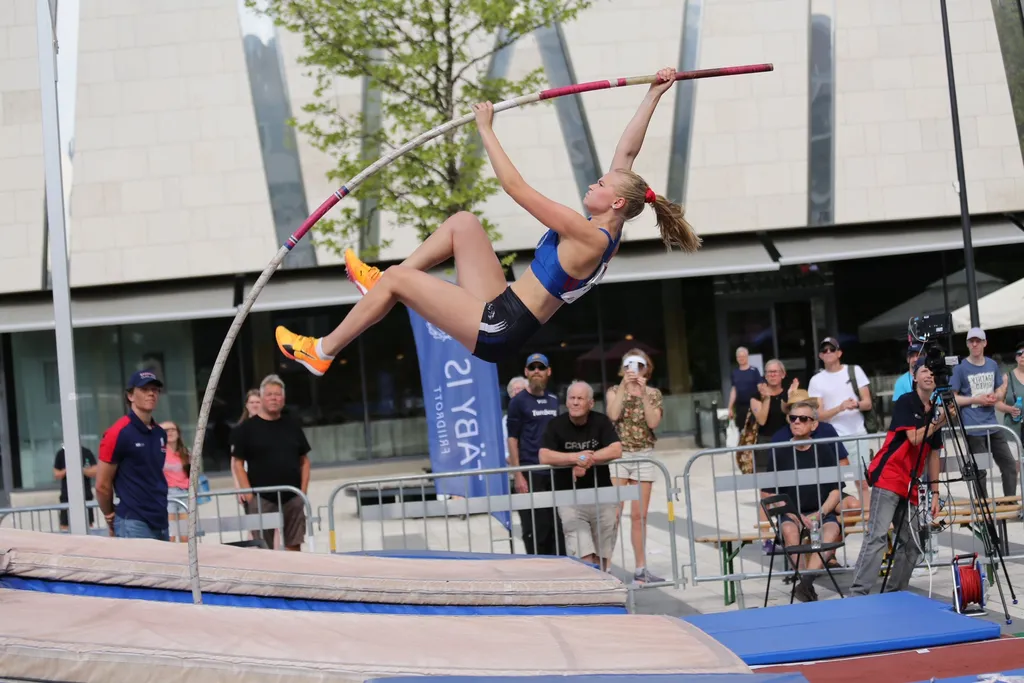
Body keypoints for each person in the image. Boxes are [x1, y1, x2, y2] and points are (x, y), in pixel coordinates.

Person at [273, 67, 701, 375]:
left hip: (501, 328)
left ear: (619, 204)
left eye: (601, 183)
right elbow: (626, 155)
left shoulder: (588, 234)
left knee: (398, 282)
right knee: (463, 223)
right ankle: (379, 282)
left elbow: (515, 188)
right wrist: (654, 95)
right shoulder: (609, 226)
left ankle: (322, 351)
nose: (594, 182)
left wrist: (486, 129)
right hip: (503, 303)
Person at [849, 360, 946, 596]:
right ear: (914, 377)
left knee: (912, 543)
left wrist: (935, 493)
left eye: (933, 372)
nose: (929, 375)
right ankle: (858, 593)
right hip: (890, 477)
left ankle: (896, 593)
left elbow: (934, 456)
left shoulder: (935, 411)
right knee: (877, 537)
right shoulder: (907, 401)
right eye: (924, 371)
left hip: (911, 484)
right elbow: (913, 438)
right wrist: (937, 422)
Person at [763, 394, 850, 602]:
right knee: (789, 530)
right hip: (792, 512)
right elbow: (770, 494)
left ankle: (805, 583)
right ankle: (805, 583)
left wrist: (820, 514)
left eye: (803, 419)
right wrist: (794, 514)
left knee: (832, 530)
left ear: (814, 424)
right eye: (793, 418)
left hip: (821, 510)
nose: (797, 422)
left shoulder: (823, 448)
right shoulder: (780, 451)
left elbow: (836, 490)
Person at [540, 381, 623, 570]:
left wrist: (586, 459)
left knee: (603, 553)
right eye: (572, 398)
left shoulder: (601, 421)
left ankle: (603, 591)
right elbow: (544, 455)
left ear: (591, 403)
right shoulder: (555, 425)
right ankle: (591, 591)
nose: (575, 403)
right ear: (567, 402)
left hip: (602, 496)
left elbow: (616, 449)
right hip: (570, 499)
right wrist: (574, 458)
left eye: (580, 398)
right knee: (582, 551)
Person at [231, 375, 312, 551]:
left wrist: (302, 493)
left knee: (295, 543)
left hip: (292, 496)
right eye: (269, 394)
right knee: (263, 547)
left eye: (277, 394)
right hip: (262, 497)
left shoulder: (292, 426)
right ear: (261, 398)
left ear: (283, 399)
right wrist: (250, 495)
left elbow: (304, 461)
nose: (274, 398)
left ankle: (295, 576)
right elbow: (238, 463)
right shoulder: (246, 429)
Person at [605, 348, 664, 583]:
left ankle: (641, 568)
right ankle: (605, 567)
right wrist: (623, 387)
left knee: (639, 516)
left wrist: (642, 395)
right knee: (614, 514)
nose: (634, 370)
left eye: (639, 365)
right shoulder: (613, 391)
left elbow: (653, 422)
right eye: (629, 365)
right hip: (620, 456)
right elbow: (613, 414)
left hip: (644, 455)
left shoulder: (653, 393)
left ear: (646, 368)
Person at [95, 369, 170, 541]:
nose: (151, 393)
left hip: (160, 518)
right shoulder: (118, 433)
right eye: (144, 389)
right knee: (140, 569)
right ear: (130, 396)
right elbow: (102, 485)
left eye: (155, 389)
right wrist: (109, 515)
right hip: (133, 521)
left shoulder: (160, 433)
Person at [505, 353, 563, 555]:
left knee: (557, 525)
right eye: (533, 368)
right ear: (526, 372)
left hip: (554, 472)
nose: (536, 371)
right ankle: (537, 567)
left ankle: (561, 567)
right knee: (536, 528)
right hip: (531, 472)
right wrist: (518, 473)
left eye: (541, 367)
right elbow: (512, 439)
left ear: (549, 372)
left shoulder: (554, 400)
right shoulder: (518, 402)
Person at [952, 328, 1018, 498]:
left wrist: (996, 395)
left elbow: (998, 390)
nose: (974, 344)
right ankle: (985, 513)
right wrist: (976, 400)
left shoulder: (992, 364)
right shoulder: (960, 368)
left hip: (993, 425)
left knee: (1009, 465)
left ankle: (1008, 503)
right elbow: (953, 398)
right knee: (980, 470)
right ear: (967, 344)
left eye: (978, 341)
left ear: (984, 343)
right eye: (971, 341)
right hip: (973, 428)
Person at [53, 444, 97, 530]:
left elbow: (95, 471)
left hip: (85, 497)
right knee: (65, 526)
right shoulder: (61, 453)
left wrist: (81, 469)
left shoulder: (86, 452)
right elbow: (56, 474)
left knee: (89, 526)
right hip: (67, 498)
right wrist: (68, 469)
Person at [161, 421, 190, 543]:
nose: (170, 432)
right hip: (168, 495)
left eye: (173, 429)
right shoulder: (158, 453)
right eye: (166, 431)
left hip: (184, 493)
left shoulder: (185, 452)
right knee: (171, 535)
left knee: (185, 535)